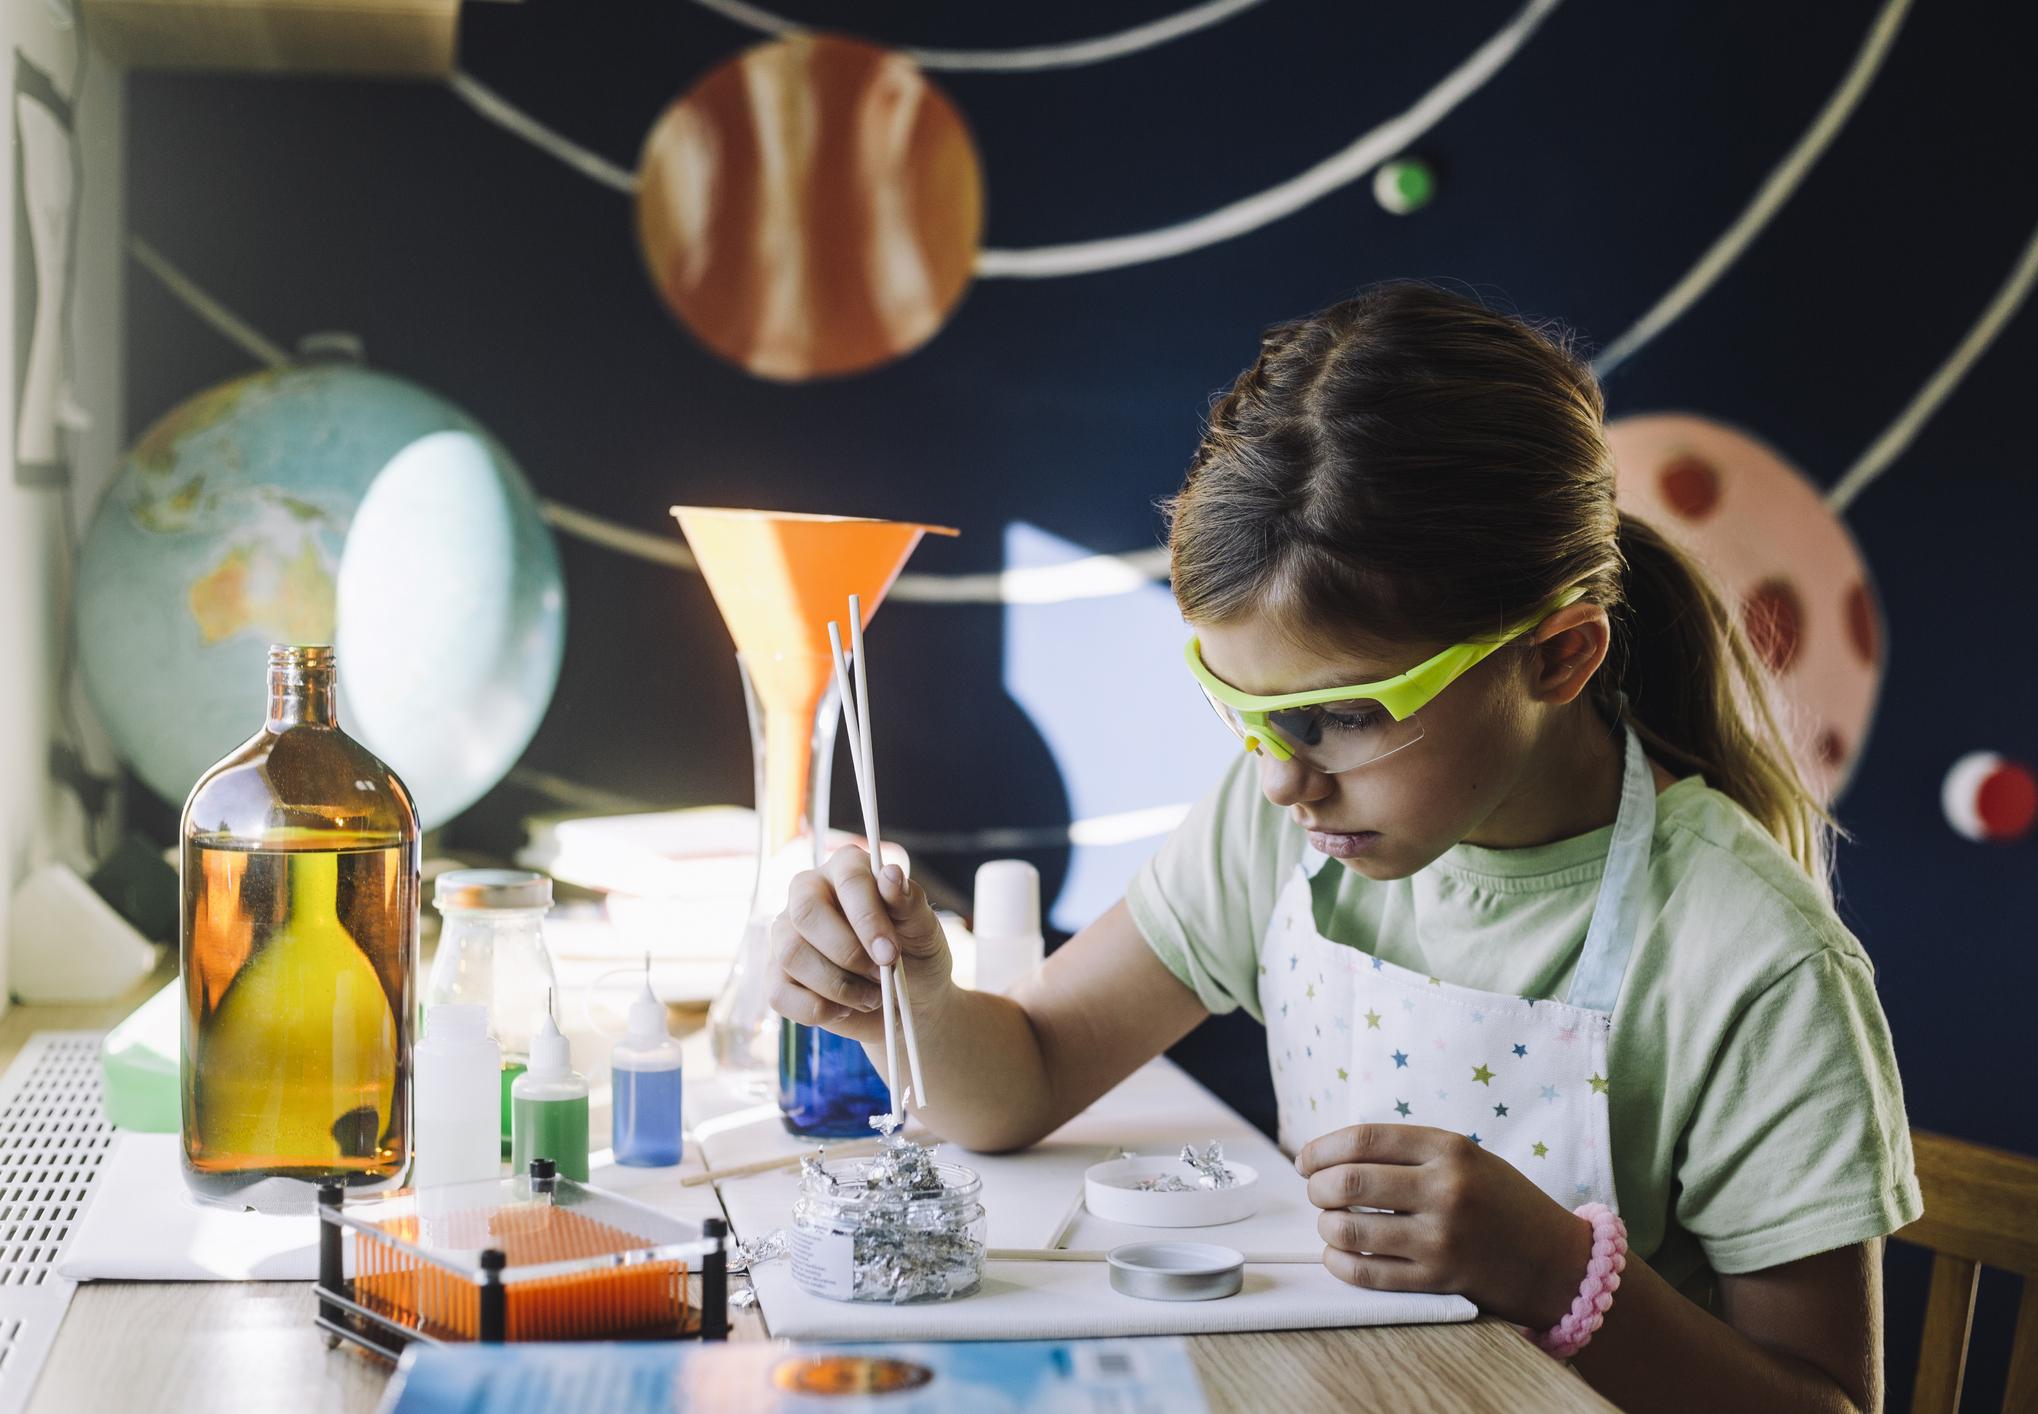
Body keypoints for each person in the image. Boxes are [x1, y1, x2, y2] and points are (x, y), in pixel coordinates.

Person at [769, 282, 1918, 1412]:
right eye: (1246, 708)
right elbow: (1021, 1078)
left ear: (1558, 659)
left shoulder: (1756, 962)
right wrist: (901, 995)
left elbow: (1828, 1405)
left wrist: (1558, 1273)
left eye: (1343, 715)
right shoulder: (1280, 824)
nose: (1283, 776)